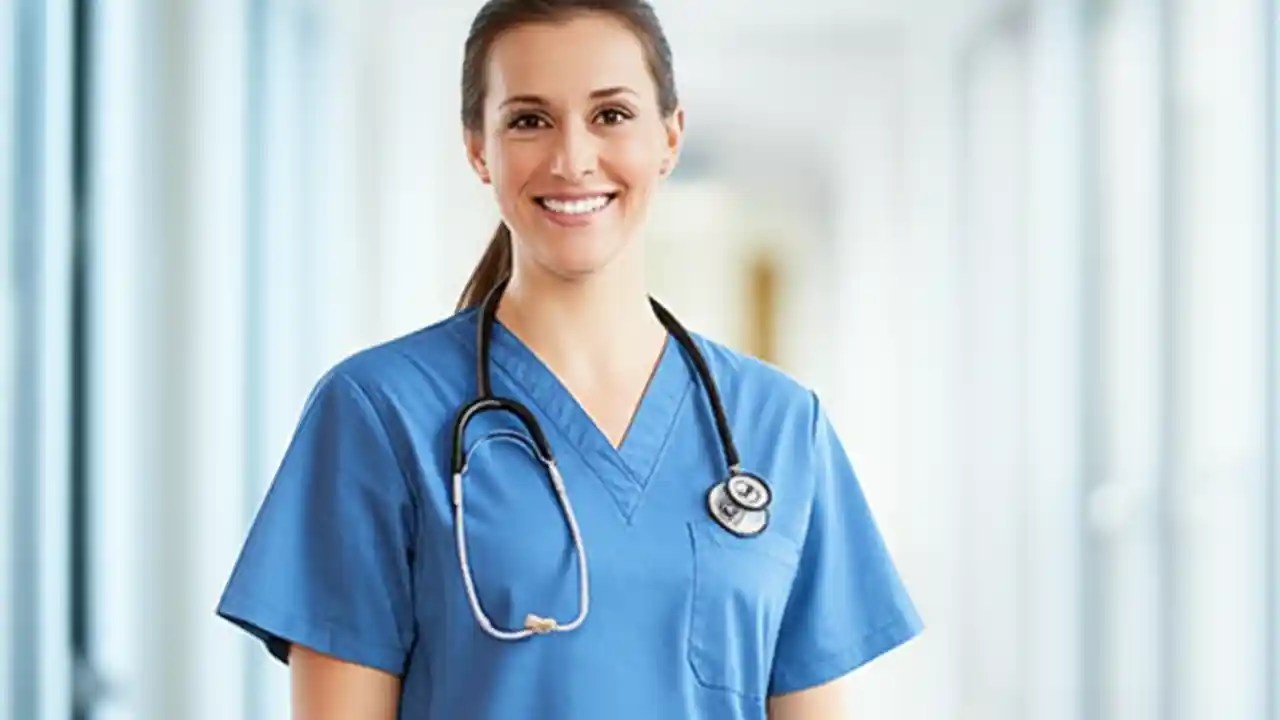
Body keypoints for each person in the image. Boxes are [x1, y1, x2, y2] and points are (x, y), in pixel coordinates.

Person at [215, 1, 924, 717]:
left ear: (670, 137)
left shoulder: (778, 426)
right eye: (529, 120)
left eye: (611, 115)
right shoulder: (378, 413)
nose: (572, 159)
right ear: (477, 148)